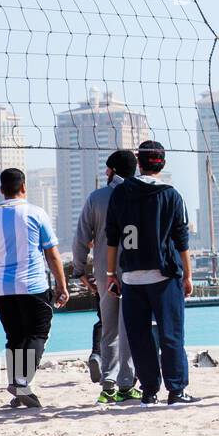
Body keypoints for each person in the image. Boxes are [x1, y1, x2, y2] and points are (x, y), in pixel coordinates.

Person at [105, 140, 196, 406]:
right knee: (171, 334)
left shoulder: (120, 194)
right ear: (162, 163)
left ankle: (149, 392)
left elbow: (112, 238)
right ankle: (176, 391)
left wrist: (112, 273)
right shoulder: (171, 195)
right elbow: (182, 242)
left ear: (138, 162)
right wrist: (188, 275)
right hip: (164, 275)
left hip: (131, 276)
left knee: (139, 336)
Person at [0, 168, 69, 408]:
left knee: (14, 337)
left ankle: (18, 389)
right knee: (37, 334)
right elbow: (52, 254)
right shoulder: (36, 213)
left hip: (3, 288)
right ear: (24, 187)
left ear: (2, 190)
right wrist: (62, 284)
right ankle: (22, 381)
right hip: (33, 285)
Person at [72, 149, 140, 404]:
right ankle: (126, 382)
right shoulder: (141, 195)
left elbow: (80, 237)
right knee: (132, 327)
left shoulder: (96, 198)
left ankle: (108, 383)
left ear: (111, 171)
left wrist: (80, 271)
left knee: (109, 329)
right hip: (135, 270)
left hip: (104, 272)